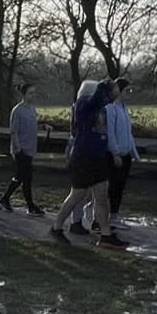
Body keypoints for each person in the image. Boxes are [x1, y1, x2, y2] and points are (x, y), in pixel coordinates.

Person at [48, 79, 125, 248]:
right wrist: (103, 89)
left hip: (98, 158)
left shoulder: (102, 109)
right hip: (83, 157)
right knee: (77, 195)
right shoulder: (83, 105)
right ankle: (56, 227)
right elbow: (93, 102)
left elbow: (105, 105)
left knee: (102, 196)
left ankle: (105, 235)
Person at [0, 84, 43, 215]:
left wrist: (43, 126)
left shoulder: (32, 109)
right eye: (30, 93)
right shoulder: (17, 110)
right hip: (21, 149)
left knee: (22, 177)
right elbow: (14, 131)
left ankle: (8, 199)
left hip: (30, 148)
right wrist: (18, 149)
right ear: (23, 95)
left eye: (34, 93)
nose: (33, 95)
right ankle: (27, 205)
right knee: (24, 177)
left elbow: (32, 126)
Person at [105, 78, 137, 226]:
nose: (129, 93)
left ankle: (114, 215)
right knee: (113, 186)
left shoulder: (124, 108)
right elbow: (111, 132)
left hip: (126, 154)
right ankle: (108, 216)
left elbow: (128, 133)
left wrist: (133, 152)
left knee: (120, 186)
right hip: (115, 155)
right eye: (127, 90)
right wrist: (115, 153)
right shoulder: (111, 108)